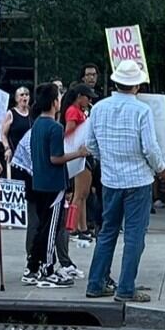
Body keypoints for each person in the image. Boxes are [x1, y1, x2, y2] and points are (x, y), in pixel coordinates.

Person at [83, 58, 165, 303]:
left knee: (107, 231)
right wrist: (162, 169)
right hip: (138, 180)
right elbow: (150, 148)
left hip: (110, 180)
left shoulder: (98, 108)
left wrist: (107, 160)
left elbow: (91, 145)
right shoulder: (142, 111)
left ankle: (96, 283)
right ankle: (126, 288)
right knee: (134, 236)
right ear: (137, 86)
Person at [24, 84, 84, 285]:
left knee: (41, 227)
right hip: (53, 184)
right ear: (53, 102)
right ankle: (48, 268)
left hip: (39, 182)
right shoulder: (55, 127)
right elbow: (56, 158)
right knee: (51, 229)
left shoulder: (36, 125)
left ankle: (33, 266)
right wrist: (78, 153)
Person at [63, 84, 96, 245]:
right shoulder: (72, 111)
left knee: (84, 194)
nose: (89, 100)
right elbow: (69, 133)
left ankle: (82, 227)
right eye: (87, 97)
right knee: (78, 194)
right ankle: (72, 227)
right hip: (79, 155)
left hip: (85, 155)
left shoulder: (81, 112)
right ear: (79, 97)